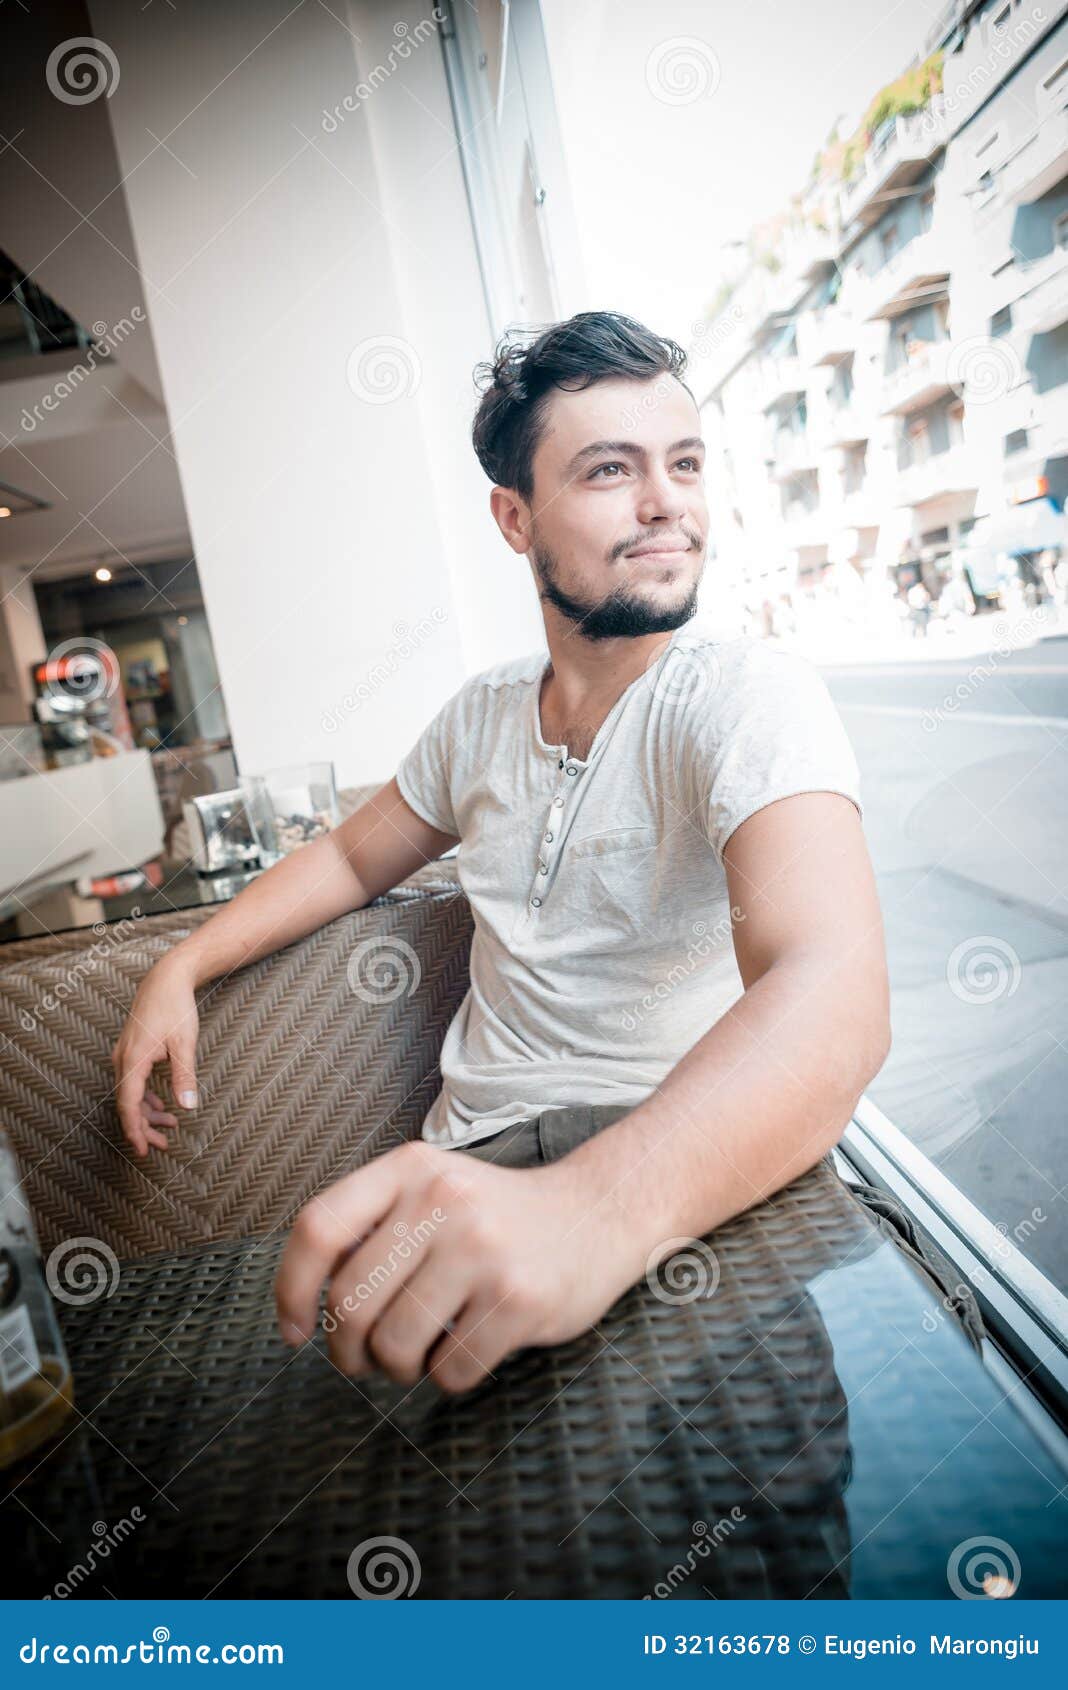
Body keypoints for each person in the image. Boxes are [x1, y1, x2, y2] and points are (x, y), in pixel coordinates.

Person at [112, 310, 891, 1396]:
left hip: (679, 1172)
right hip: (471, 1165)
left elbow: (834, 987)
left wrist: (590, 1212)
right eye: (612, 470)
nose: (667, 501)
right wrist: (180, 966)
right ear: (515, 519)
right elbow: (345, 859)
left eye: (685, 464)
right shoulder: (477, 719)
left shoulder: (745, 697)